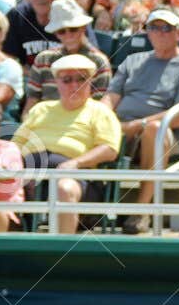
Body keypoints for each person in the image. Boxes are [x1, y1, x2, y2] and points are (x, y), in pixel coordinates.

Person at [106, 8, 179, 233]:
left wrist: (138, 125)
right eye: (153, 27)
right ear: (147, 33)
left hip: (168, 133)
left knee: (153, 129)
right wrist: (104, 120)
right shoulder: (132, 61)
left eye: (166, 28)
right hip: (121, 129)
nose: (159, 33)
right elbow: (110, 98)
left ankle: (142, 211)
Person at [12, 52, 120, 235]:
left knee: (64, 187)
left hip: (76, 176)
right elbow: (15, 145)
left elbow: (109, 149)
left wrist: (75, 163)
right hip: (32, 172)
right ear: (57, 83)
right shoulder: (40, 109)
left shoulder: (100, 112)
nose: (75, 85)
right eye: (67, 80)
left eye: (81, 79)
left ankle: (61, 251)